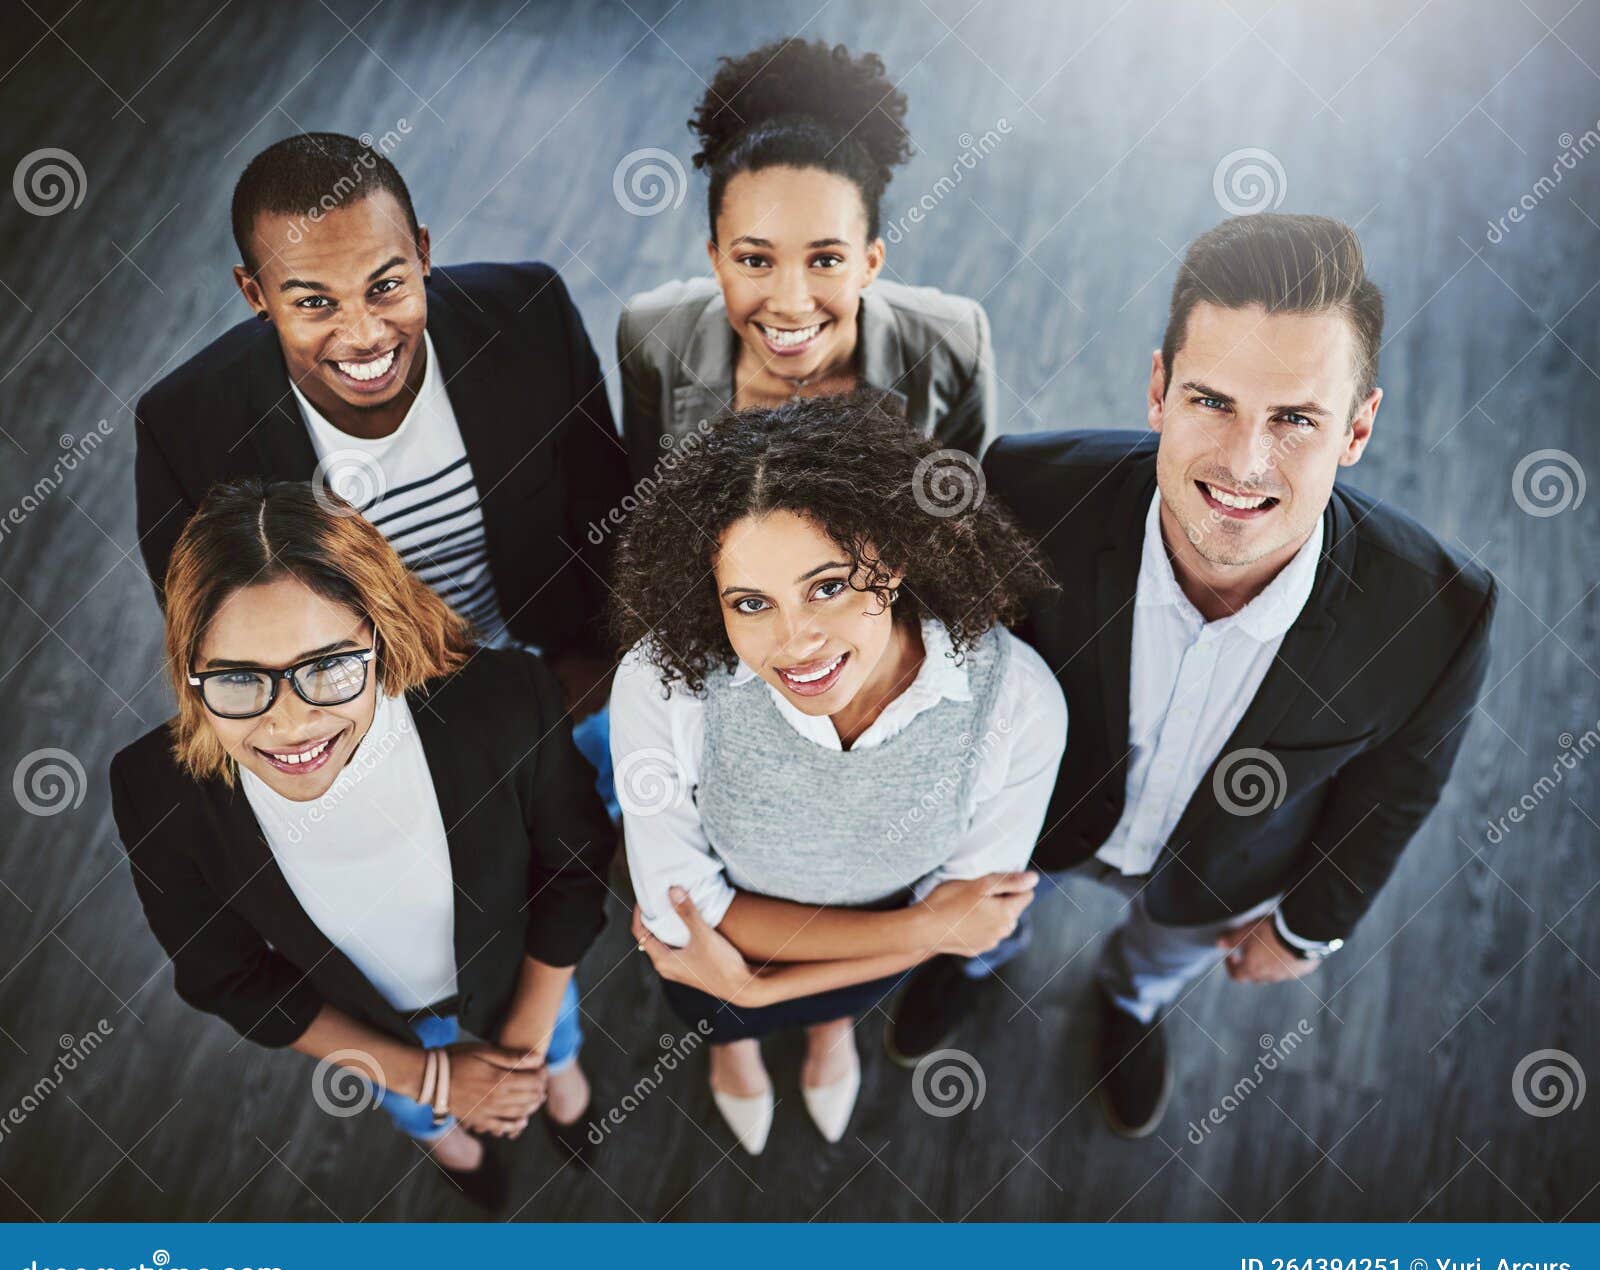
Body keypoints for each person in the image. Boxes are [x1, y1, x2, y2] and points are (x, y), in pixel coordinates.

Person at [887, 214, 1498, 1139]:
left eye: (1296, 418)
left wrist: (1305, 927)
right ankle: (970, 962)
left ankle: (1131, 1002)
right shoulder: (1024, 491)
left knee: (1155, 959)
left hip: (1221, 870)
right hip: (1036, 820)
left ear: (1358, 428)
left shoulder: (1438, 617)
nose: (1246, 464)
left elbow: (1398, 789)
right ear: (1159, 390)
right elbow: (946, 670)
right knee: (985, 918)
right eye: (1213, 401)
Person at [110, 479, 616, 1210]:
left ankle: (561, 1086)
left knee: (561, 1039)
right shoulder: (158, 794)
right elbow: (230, 976)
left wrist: (526, 1051)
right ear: (192, 676)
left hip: (522, 973)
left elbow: (573, 867)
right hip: (374, 1032)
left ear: (381, 632)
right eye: (240, 679)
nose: (291, 726)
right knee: (420, 1113)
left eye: (328, 667)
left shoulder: (505, 699)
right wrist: (431, 1081)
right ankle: (454, 1140)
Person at [609, 393, 1065, 1153]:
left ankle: (827, 1032)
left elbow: (967, 915)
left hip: (852, 953)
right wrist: (916, 928)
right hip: (781, 949)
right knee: (715, 1007)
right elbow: (678, 916)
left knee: (822, 999)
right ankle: (733, 1039)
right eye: (751, 603)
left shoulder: (1017, 704)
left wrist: (764, 983)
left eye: (828, 586)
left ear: (891, 556)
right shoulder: (660, 685)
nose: (797, 643)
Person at [132, 132, 629, 786]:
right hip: (355, 732)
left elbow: (615, 520)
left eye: (385, 286)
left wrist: (601, 663)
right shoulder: (187, 426)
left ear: (423, 252)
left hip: (556, 679)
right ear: (255, 295)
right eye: (314, 302)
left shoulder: (529, 318)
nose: (364, 335)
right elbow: (221, 643)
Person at [617, 37, 996, 484]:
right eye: (756, 261)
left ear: (870, 262)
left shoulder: (952, 345)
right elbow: (646, 512)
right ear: (716, 260)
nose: (792, 304)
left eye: (827, 259)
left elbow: (961, 520)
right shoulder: (653, 341)